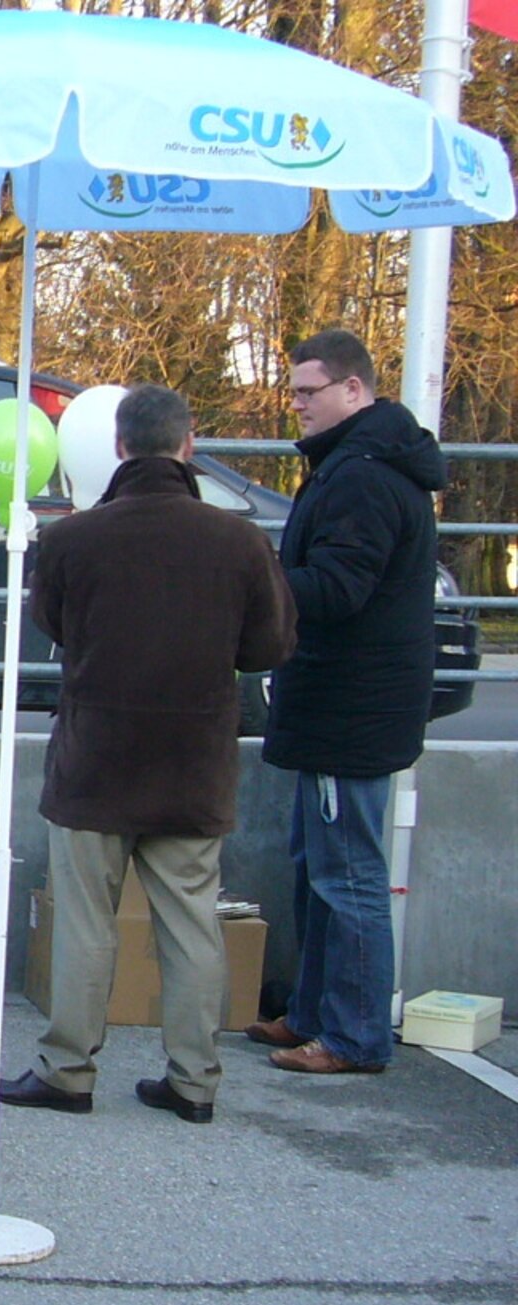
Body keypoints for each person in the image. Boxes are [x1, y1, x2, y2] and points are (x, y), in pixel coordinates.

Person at [0, 384, 296, 1122]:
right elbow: (269, 646)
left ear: (120, 446)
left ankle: (67, 1071)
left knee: (85, 924)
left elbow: (55, 625)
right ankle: (195, 1081)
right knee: (191, 925)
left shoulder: (72, 539)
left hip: (94, 761)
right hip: (193, 762)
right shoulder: (239, 541)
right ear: (189, 446)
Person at [250, 329, 445, 1076]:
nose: (297, 404)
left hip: (351, 708)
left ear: (354, 389)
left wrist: (258, 582)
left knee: (347, 875)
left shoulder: (362, 478)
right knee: (318, 866)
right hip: (344, 703)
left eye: (310, 391)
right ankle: (312, 1014)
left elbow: (337, 588)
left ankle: (355, 1035)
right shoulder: (354, 467)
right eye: (295, 391)